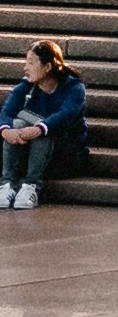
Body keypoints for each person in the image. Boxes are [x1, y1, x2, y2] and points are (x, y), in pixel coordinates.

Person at [1, 38, 88, 207]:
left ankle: (31, 186)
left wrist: (40, 128)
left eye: (31, 63)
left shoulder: (74, 88)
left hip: (64, 155)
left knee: (44, 129)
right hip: (32, 153)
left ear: (47, 67)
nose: (25, 68)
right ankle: (7, 185)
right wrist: (5, 131)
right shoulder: (27, 85)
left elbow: (65, 115)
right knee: (17, 125)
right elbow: (6, 111)